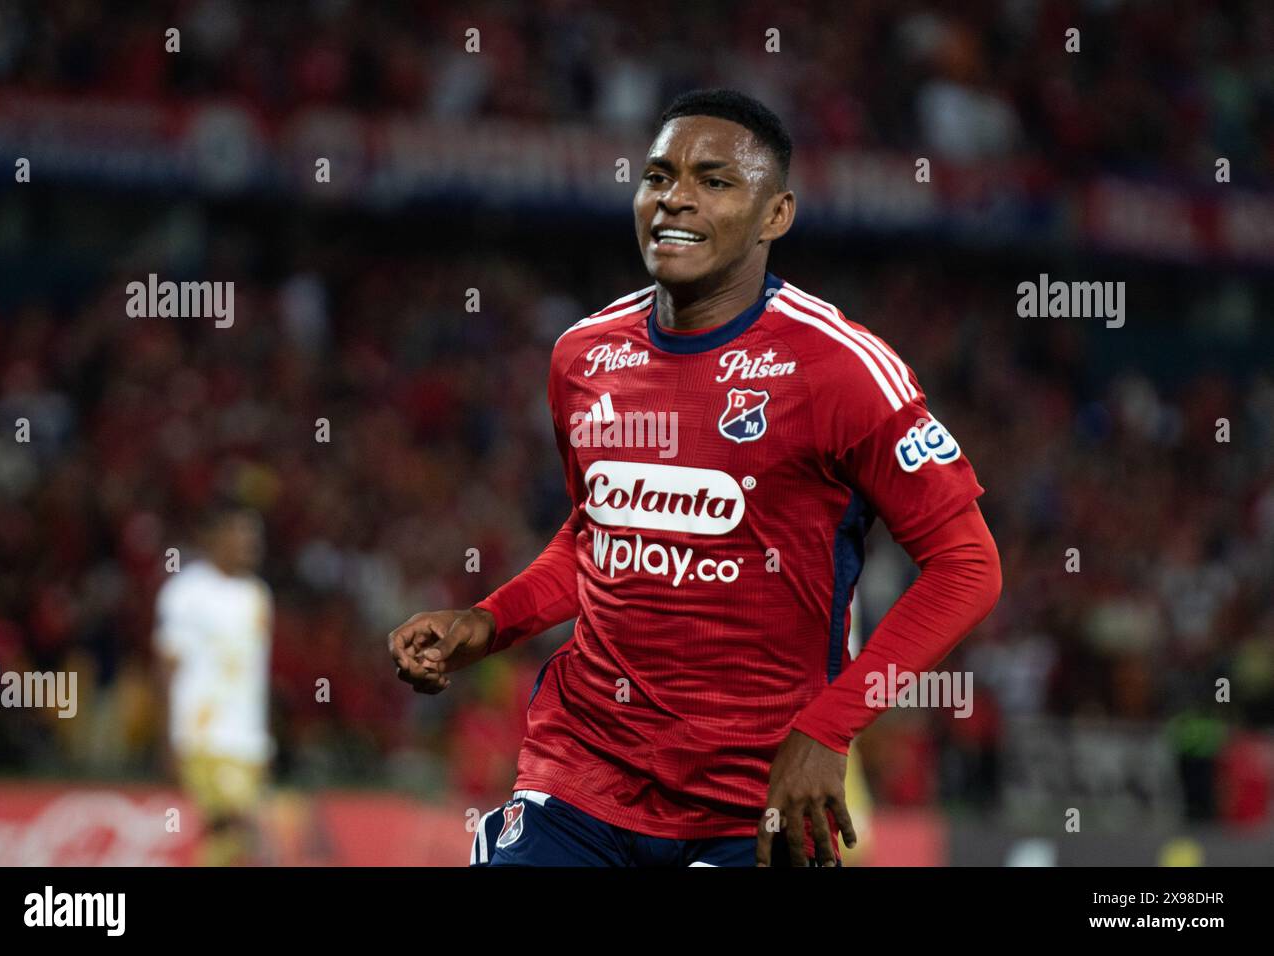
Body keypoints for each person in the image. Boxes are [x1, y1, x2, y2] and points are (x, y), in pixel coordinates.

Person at [390, 88, 1002, 867]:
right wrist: (488, 622)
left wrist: (829, 729)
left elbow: (967, 567)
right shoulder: (582, 357)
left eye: (714, 181)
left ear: (775, 214)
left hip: (754, 805)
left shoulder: (842, 370)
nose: (676, 197)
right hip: (580, 778)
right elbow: (600, 533)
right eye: (659, 176)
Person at [154, 500, 273, 866]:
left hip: (248, 743)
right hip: (203, 738)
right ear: (213, 537)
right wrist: (167, 738)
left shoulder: (257, 595)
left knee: (226, 842)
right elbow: (166, 668)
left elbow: (254, 677)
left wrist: (263, 738)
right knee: (246, 830)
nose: (251, 542)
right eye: (240, 532)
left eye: (254, 534)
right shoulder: (186, 592)